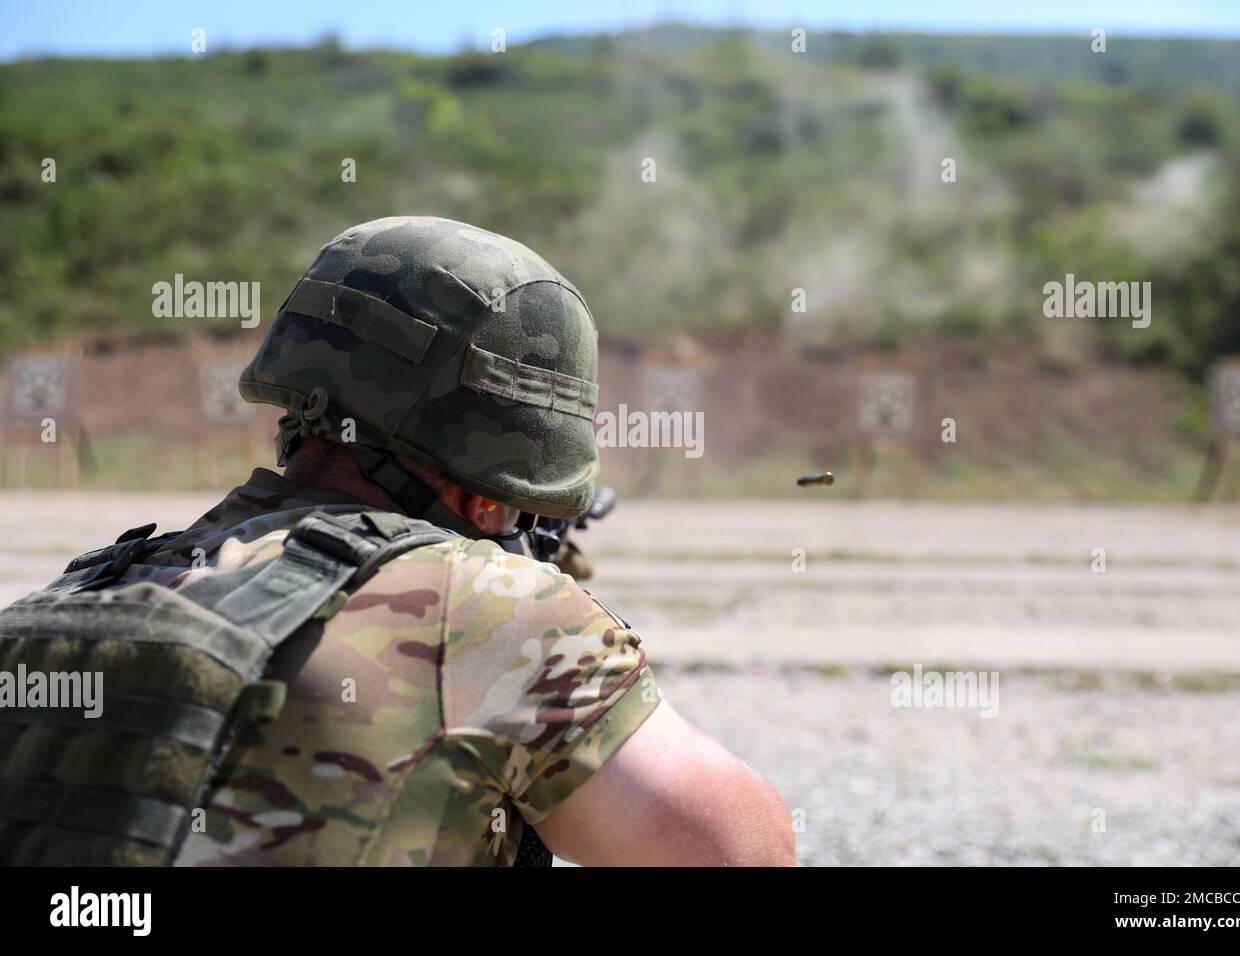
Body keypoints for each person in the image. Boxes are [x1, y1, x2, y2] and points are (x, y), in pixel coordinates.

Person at [96, 216, 794, 866]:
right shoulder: (489, 609)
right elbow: (744, 850)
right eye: (516, 507)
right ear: (484, 490)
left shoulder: (100, 585)